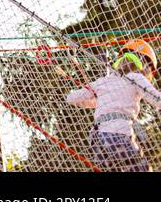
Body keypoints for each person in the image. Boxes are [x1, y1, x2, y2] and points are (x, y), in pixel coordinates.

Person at [65, 38, 161, 171]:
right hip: (118, 133)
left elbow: (72, 98)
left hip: (97, 140)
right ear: (143, 66)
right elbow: (156, 99)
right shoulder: (135, 78)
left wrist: (91, 92)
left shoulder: (103, 82)